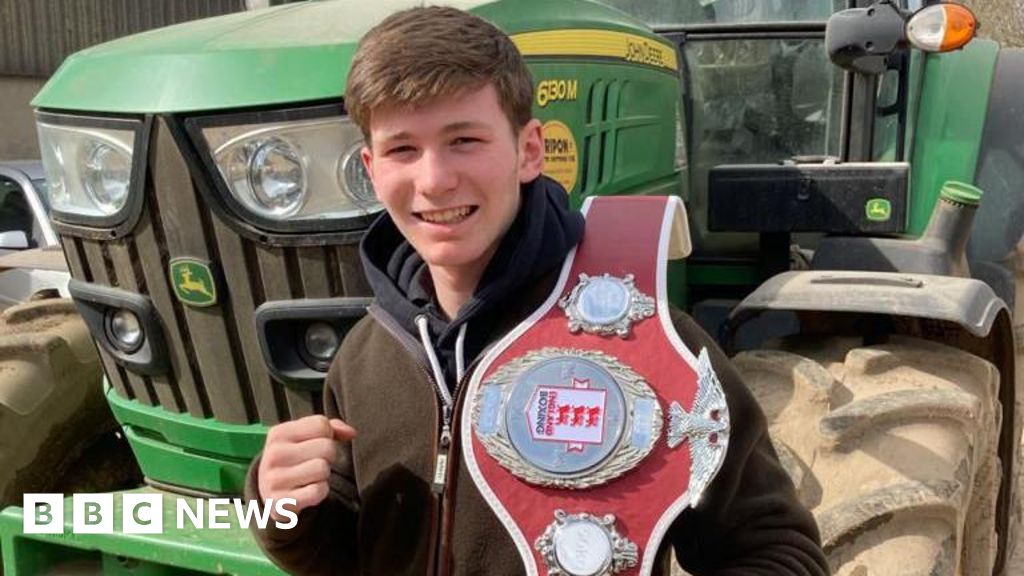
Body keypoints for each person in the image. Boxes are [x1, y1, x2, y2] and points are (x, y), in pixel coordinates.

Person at [244, 6, 829, 576]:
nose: (435, 179)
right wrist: (284, 509)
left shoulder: (653, 344)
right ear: (372, 169)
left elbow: (780, 554)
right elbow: (349, 556)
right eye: (403, 149)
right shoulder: (365, 360)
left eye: (464, 140)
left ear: (529, 152)